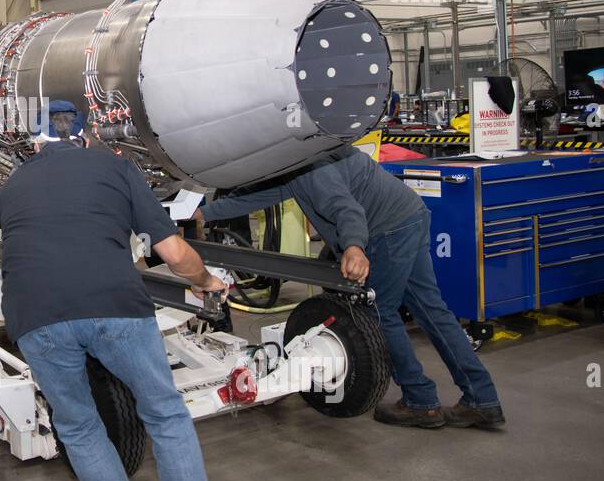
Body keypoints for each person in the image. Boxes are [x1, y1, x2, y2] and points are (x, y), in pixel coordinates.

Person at [0, 101, 228, 481]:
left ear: (36, 142)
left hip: (35, 315)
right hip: (114, 305)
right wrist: (206, 281)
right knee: (165, 416)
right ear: (85, 136)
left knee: (80, 428)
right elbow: (175, 253)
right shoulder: (115, 168)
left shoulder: (13, 183)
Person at [202, 145, 504, 429]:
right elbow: (265, 194)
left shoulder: (309, 165)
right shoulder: (297, 154)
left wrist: (354, 247)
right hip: (408, 215)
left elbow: (346, 209)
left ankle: (420, 399)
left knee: (376, 314)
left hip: (386, 230)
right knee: (431, 310)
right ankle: (482, 397)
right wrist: (204, 213)